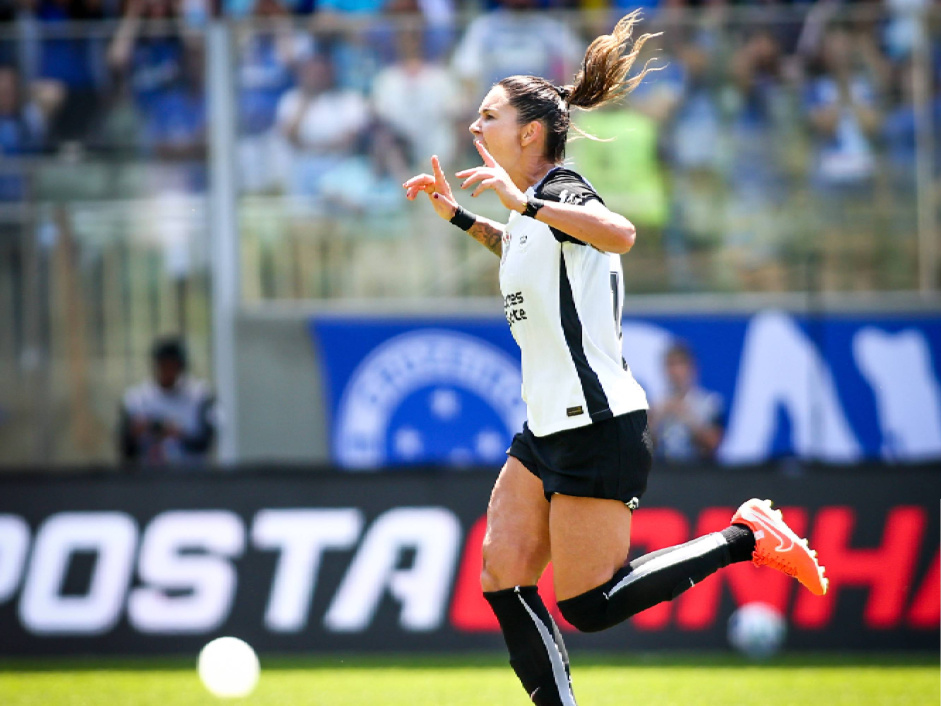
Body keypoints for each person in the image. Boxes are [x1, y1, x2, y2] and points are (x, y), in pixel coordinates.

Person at [402, 11, 828, 705]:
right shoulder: (529, 211)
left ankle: (742, 537)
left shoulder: (557, 192)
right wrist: (461, 217)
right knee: (499, 573)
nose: (473, 128)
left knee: (590, 605)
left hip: (596, 424)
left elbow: (620, 233)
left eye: (488, 115)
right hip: (544, 427)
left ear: (529, 132)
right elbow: (523, 251)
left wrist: (523, 205)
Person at [118, 336, 216, 467]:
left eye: (173, 366)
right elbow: (125, 451)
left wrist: (178, 434)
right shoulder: (137, 399)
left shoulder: (199, 396)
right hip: (147, 479)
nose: (168, 372)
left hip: (191, 477)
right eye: (164, 365)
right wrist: (136, 433)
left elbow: (205, 443)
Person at [648, 340, 724, 463]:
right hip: (663, 472)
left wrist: (687, 417)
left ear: (692, 368)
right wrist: (657, 419)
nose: (675, 372)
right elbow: (643, 446)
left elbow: (713, 443)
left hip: (698, 472)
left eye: (680, 364)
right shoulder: (656, 404)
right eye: (671, 365)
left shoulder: (710, 403)